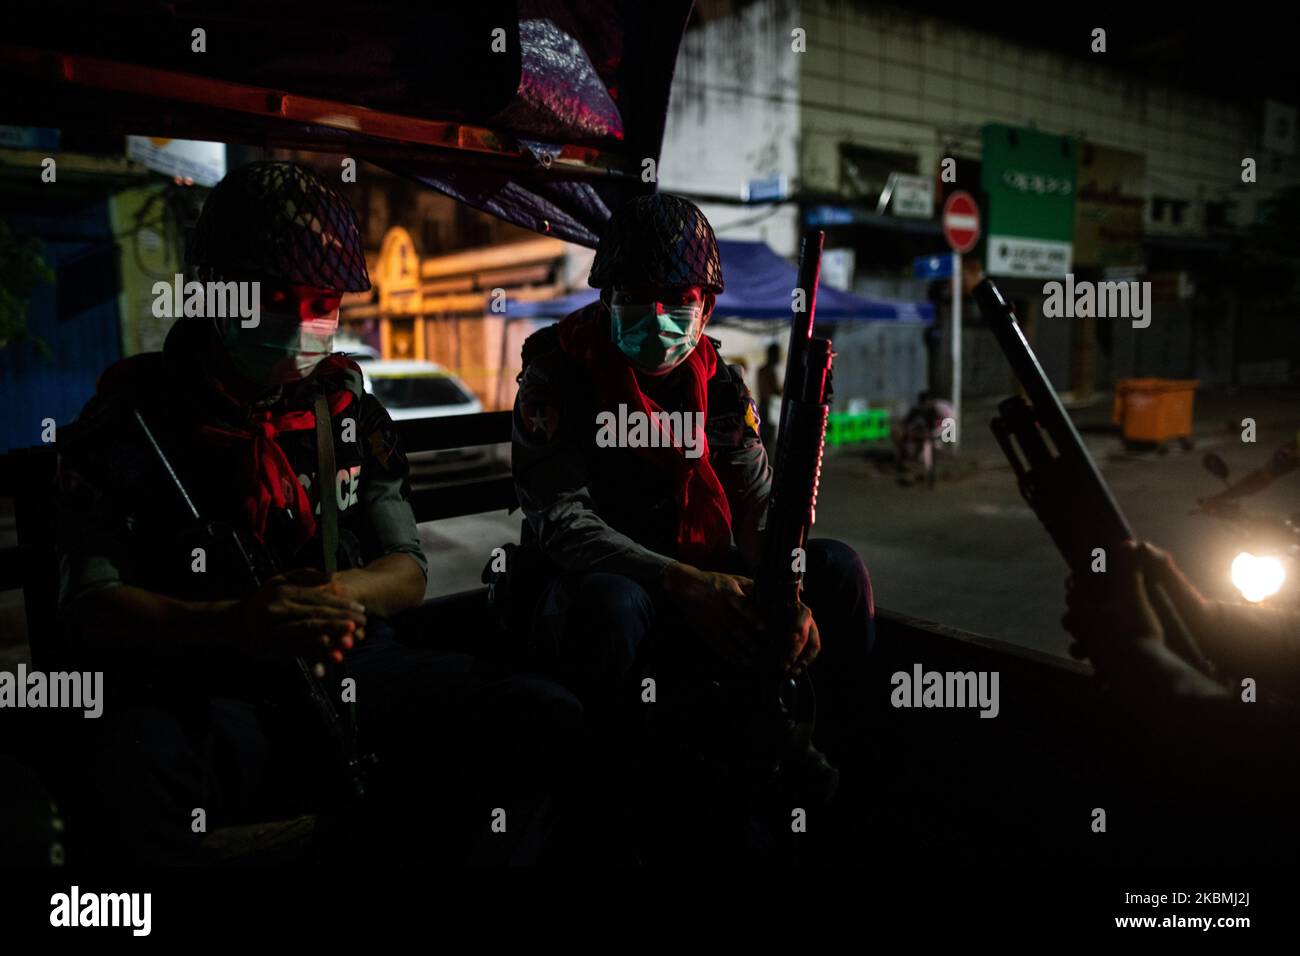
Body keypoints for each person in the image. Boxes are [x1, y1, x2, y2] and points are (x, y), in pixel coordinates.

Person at [54, 161, 582, 865]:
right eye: (277, 297)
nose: (304, 323)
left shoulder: (347, 411)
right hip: (207, 691)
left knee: (544, 715)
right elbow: (92, 602)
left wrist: (333, 600)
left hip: (356, 669)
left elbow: (407, 571)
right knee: (120, 777)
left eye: (323, 301)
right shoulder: (132, 422)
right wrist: (231, 624)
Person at [506, 194, 875, 819]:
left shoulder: (719, 383)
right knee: (612, 604)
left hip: (706, 576)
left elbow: (757, 499)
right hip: (617, 586)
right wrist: (681, 580)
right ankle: (619, 801)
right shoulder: (558, 374)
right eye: (640, 295)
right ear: (608, 296)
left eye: (679, 298)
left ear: (704, 305)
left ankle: (849, 763)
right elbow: (562, 523)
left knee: (836, 566)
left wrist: (785, 591)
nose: (659, 315)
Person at [756, 342, 783, 455]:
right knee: (767, 440)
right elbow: (775, 391)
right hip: (767, 408)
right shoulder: (769, 371)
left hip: (764, 406)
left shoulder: (762, 370)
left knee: (764, 439)